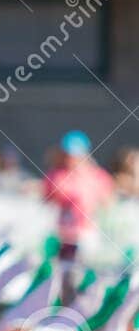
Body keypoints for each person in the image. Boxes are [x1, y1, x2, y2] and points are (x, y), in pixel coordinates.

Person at [43, 130, 114, 305]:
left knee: (88, 275)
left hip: (88, 234)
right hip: (64, 235)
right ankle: (67, 310)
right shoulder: (56, 174)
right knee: (65, 276)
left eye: (75, 154)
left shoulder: (97, 176)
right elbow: (50, 197)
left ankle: (87, 312)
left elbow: (107, 202)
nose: (71, 158)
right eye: (67, 154)